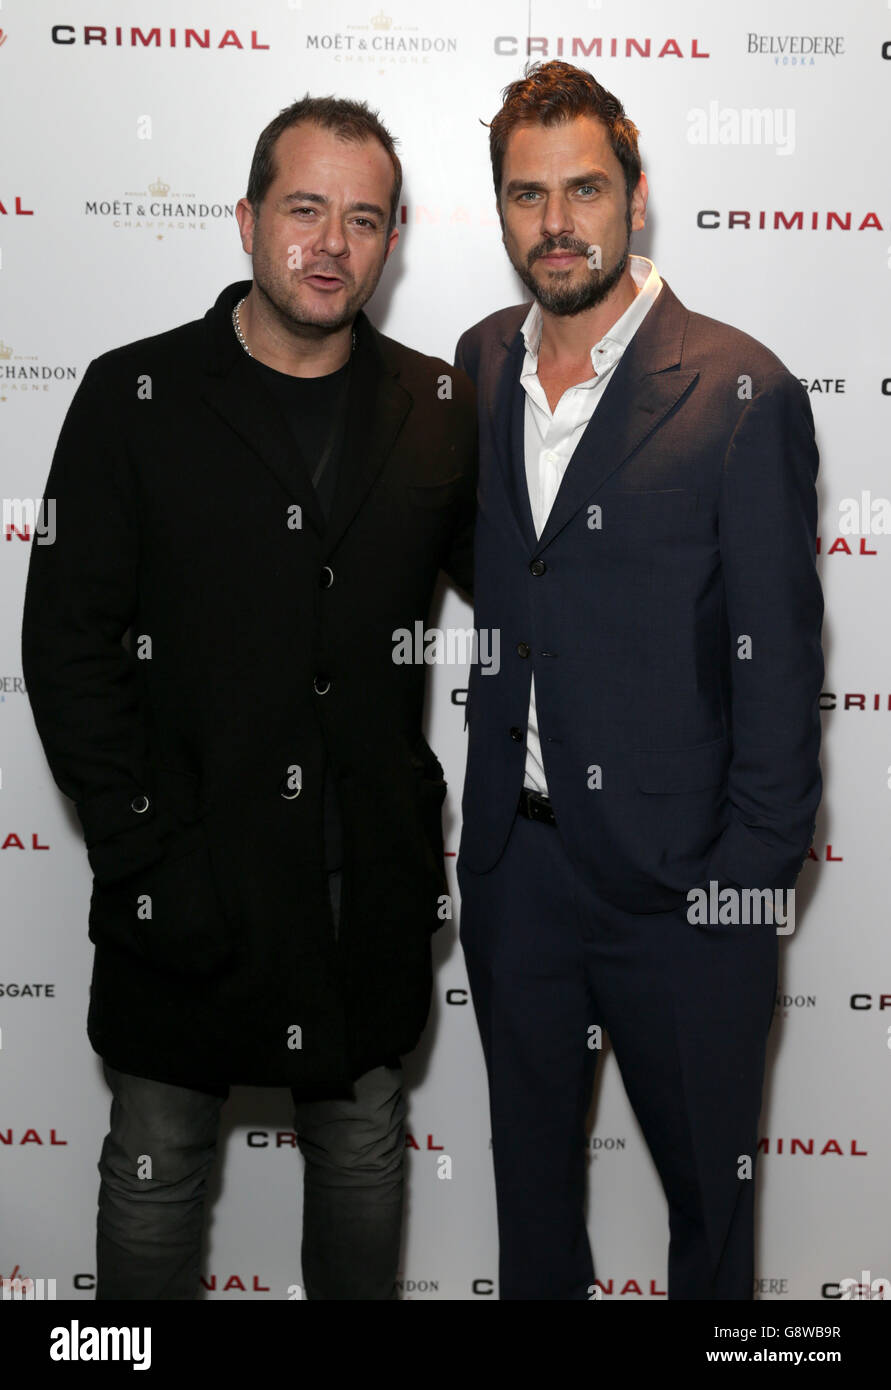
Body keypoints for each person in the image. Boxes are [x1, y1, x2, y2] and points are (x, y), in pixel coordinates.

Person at [22, 95, 476, 1300]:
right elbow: (67, 648)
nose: (331, 241)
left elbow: (534, 595)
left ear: (391, 242)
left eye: (363, 218)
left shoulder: (437, 409)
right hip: (183, 878)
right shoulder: (134, 396)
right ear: (247, 219)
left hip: (360, 885)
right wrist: (138, 855)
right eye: (305, 208)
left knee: (365, 1151)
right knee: (157, 1167)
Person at [455, 61, 823, 1300]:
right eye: (527, 195)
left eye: (585, 189)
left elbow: (780, 667)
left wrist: (742, 891)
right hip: (522, 877)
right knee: (532, 1221)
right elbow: (513, 578)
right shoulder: (477, 362)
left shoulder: (738, 386)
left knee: (710, 1239)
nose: (556, 222)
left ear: (637, 198)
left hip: (688, 897)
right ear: (501, 210)